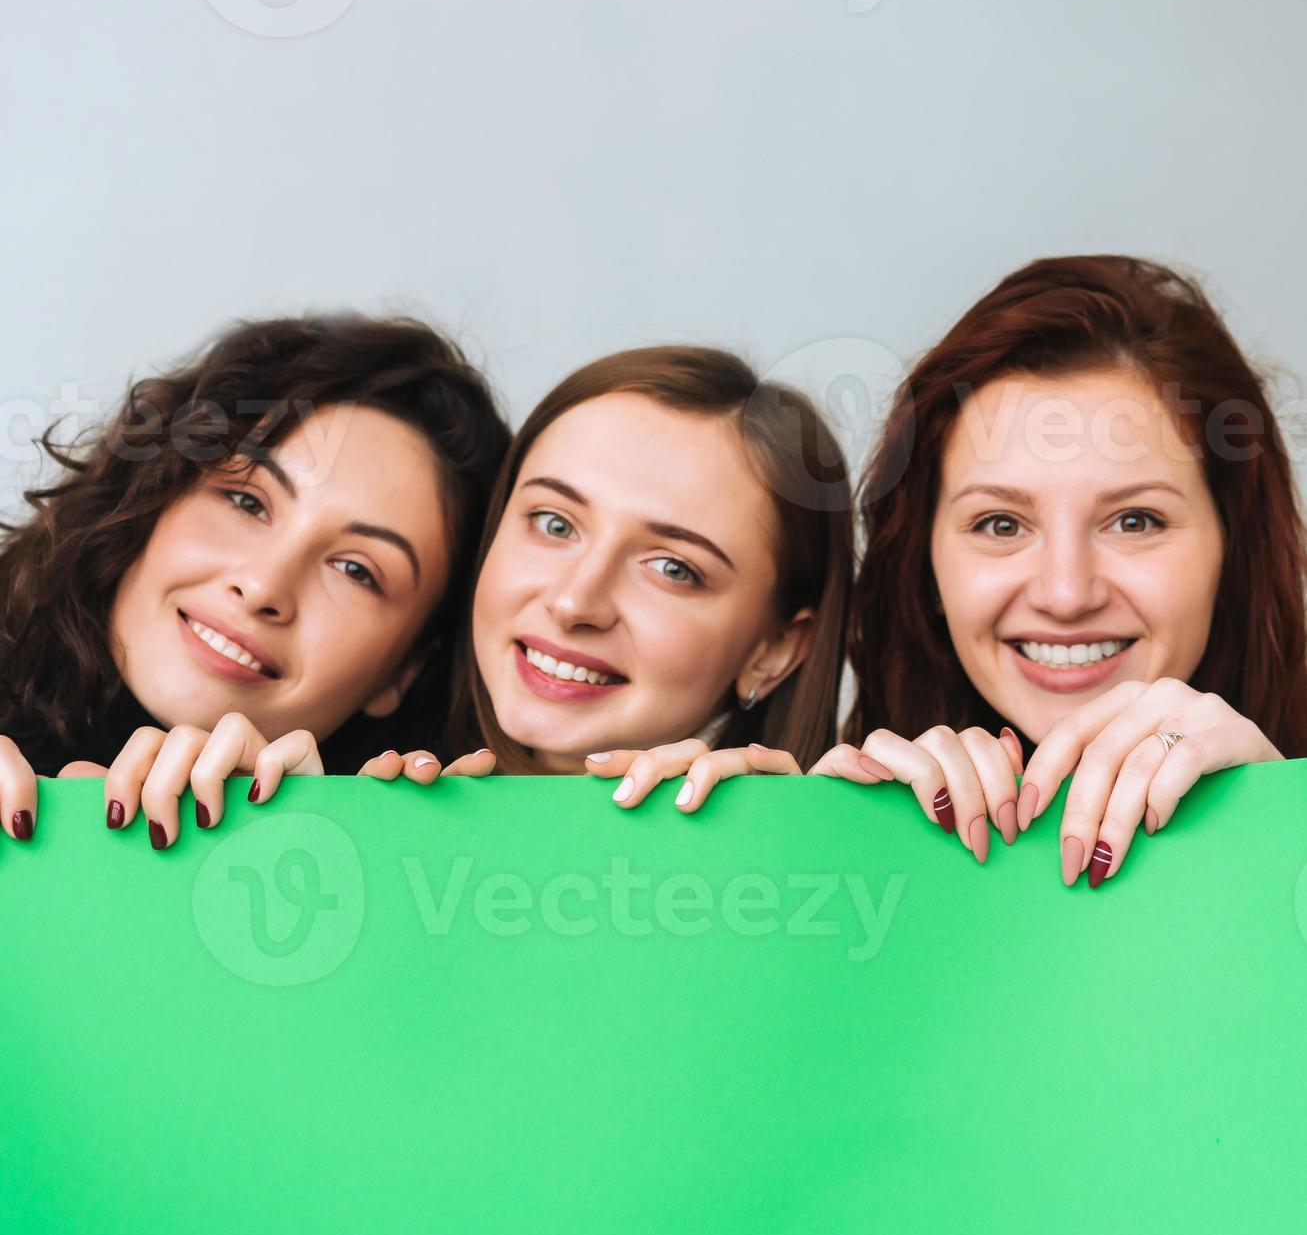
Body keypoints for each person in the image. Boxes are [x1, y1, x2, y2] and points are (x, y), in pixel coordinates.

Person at [813, 255, 1307, 884]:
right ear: (924, 567)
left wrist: (1282, 823)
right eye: (1001, 524)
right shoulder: (821, 820)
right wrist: (808, 838)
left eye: (1135, 521)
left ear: (1233, 551)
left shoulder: (1292, 825)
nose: (1067, 594)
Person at [232, 345, 852, 810]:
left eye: (673, 569)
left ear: (774, 651)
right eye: (555, 524)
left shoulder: (830, 886)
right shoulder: (343, 794)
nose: (575, 600)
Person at [0, 311, 509, 847]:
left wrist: (319, 837)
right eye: (247, 502)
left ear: (405, 669)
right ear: (149, 497)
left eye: (356, 570)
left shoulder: (420, 868)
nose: (264, 587)